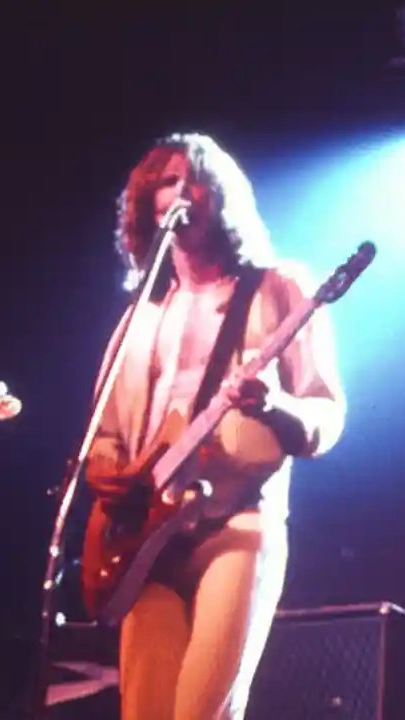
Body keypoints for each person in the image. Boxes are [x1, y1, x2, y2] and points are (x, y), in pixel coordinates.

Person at [82, 132, 346, 719]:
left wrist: (272, 405)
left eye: (194, 179)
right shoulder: (142, 315)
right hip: (143, 539)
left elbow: (327, 415)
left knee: (204, 710)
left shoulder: (278, 287)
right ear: (149, 206)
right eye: (168, 182)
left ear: (221, 195)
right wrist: (106, 475)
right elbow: (103, 438)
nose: (182, 192)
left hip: (237, 522)